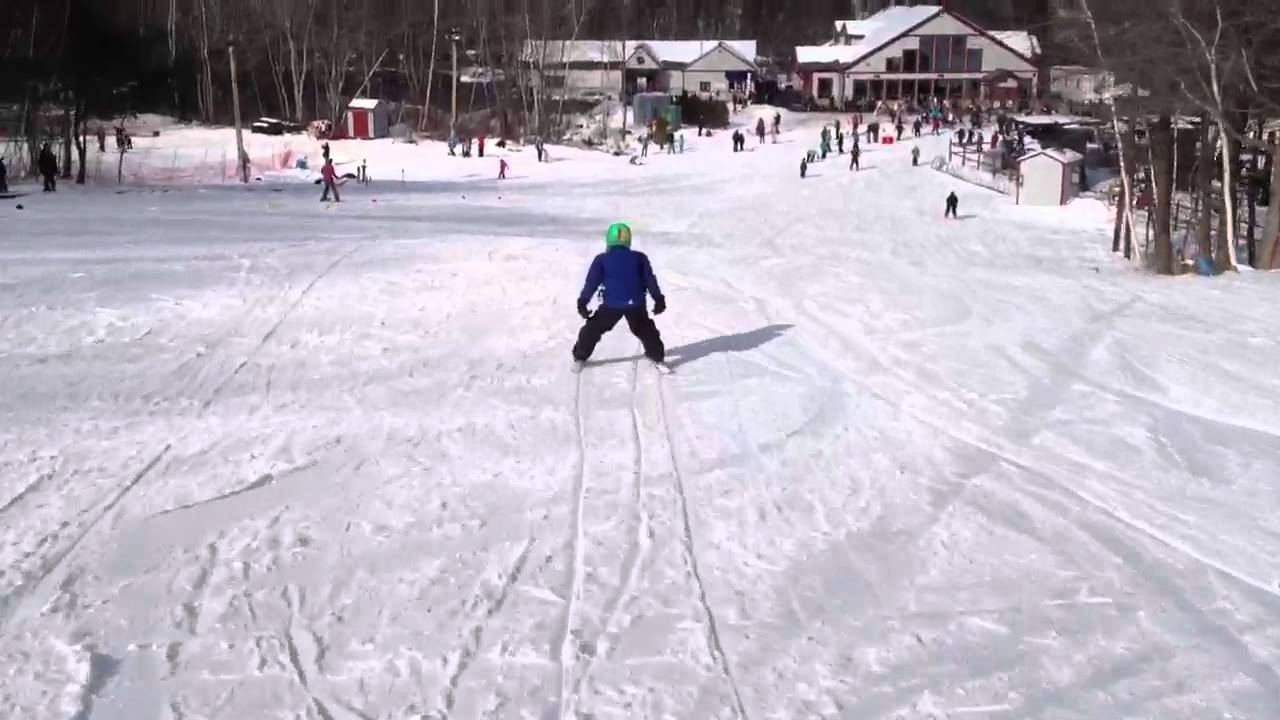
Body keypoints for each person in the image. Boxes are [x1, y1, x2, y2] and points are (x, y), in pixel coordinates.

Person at [572, 223, 666, 368]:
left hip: (611, 305)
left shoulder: (602, 259)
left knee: (592, 329)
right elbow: (650, 280)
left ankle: (580, 356)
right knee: (644, 328)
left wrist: (583, 302)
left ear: (608, 240)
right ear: (628, 240)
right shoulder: (640, 258)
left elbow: (592, 282)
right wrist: (658, 299)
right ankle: (657, 356)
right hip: (636, 303)